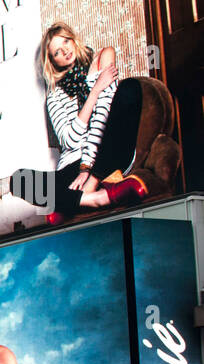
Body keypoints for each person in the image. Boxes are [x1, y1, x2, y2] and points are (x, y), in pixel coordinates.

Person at [11, 23, 150, 220]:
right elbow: (69, 141)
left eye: (66, 42)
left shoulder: (101, 59)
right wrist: (94, 92)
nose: (65, 50)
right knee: (19, 180)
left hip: (107, 154)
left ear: (73, 39)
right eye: (57, 51)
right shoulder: (54, 97)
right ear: (52, 61)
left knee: (130, 88)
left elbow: (103, 115)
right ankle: (93, 199)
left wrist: (90, 173)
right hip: (73, 169)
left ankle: (70, 202)